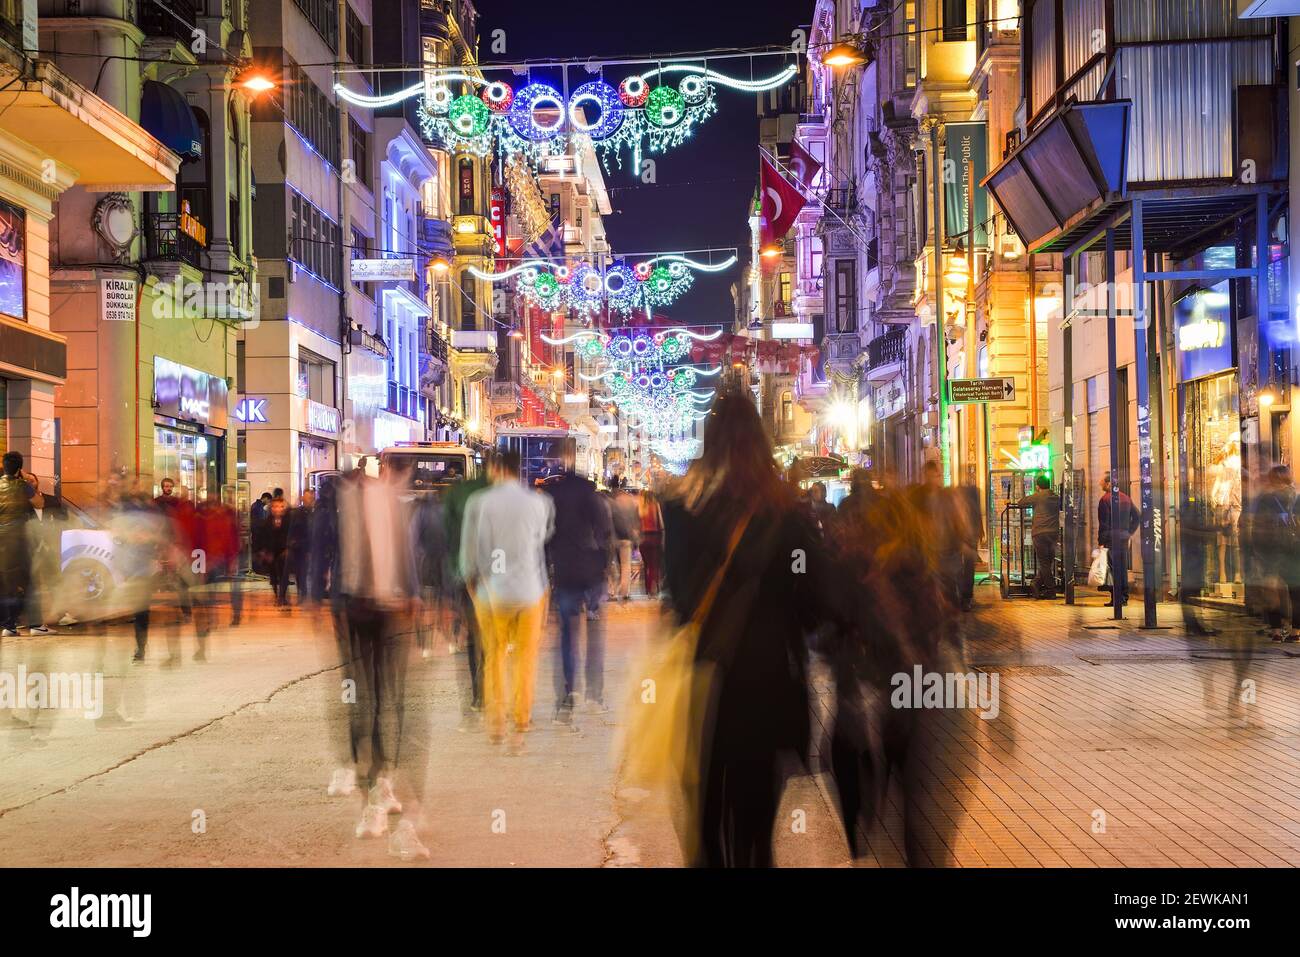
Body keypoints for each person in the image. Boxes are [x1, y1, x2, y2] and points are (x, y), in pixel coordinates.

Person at [660, 390, 836, 867]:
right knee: (756, 832)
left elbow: (677, 597)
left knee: (705, 828)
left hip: (709, 686)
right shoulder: (788, 514)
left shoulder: (686, 512)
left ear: (709, 443)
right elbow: (815, 603)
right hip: (770, 686)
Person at [335, 461, 428, 860]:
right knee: (363, 702)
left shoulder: (397, 504)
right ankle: (373, 792)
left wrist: (414, 593)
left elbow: (406, 551)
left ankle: (392, 792)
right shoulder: (341, 502)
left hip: (392, 611)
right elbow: (323, 549)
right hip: (356, 609)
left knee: (398, 702)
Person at [459, 449, 554, 753]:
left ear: (498, 468)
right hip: (530, 590)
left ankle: (496, 724)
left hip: (493, 592)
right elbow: (539, 542)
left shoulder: (480, 503)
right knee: (526, 659)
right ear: (519, 470)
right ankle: (520, 726)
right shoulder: (539, 503)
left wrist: (473, 582)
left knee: (495, 657)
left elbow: (472, 552)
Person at [545, 453, 613, 723]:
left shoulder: (553, 499)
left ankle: (566, 700)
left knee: (565, 637)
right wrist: (605, 566)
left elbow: (546, 537)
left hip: (565, 573)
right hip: (592, 575)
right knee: (595, 637)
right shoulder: (592, 498)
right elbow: (605, 534)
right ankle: (594, 697)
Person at [443, 460, 491, 720]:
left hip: (466, 574)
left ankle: (477, 695)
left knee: (474, 636)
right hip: (497, 577)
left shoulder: (458, 495)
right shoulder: (499, 492)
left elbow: (447, 537)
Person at [1249, 465, 1300, 641]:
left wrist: (1256, 552)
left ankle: (1276, 630)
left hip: (1271, 552)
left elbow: (1257, 527)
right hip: (1295, 551)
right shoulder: (1297, 497)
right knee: (1296, 592)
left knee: (1272, 591)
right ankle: (1295, 632)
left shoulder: (1265, 499)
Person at [0, 452, 42, 637]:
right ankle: (36, 625)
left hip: (2, 540)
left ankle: (9, 626)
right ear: (19, 468)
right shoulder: (22, 485)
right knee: (30, 579)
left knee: (7, 583)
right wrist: (25, 480)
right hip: (19, 539)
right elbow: (39, 503)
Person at [1178, 491, 1219, 636]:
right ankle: (1194, 624)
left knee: (1192, 589)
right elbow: (1195, 529)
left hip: (1192, 553)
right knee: (1191, 589)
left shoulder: (1189, 507)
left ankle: (1194, 624)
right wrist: (1216, 528)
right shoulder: (1191, 508)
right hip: (1193, 554)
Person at [1098, 473, 1140, 607]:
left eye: (1102, 481)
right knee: (1122, 567)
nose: (1100, 483)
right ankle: (1124, 597)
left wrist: (1101, 541)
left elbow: (1103, 523)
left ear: (1109, 483)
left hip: (1111, 538)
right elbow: (1137, 516)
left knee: (1113, 569)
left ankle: (1116, 597)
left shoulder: (1105, 500)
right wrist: (1129, 532)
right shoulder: (1126, 498)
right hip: (1123, 538)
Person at [1017, 475, 1061, 600]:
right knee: (1048, 561)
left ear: (1038, 486)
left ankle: (1050, 590)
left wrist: (1035, 493)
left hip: (1040, 533)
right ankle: (1036, 583)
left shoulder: (1038, 496)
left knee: (1044, 563)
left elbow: (1021, 502)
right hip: (1053, 533)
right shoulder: (1056, 497)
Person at [256, 495, 292, 608]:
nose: (278, 509)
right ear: (272, 508)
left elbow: (290, 535)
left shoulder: (288, 520)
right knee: (273, 576)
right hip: (271, 552)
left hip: (283, 551)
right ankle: (277, 595)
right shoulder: (267, 522)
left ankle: (282, 597)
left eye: (281, 507)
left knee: (284, 575)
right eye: (275, 506)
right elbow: (262, 537)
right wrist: (264, 551)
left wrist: (288, 548)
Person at [608, 476, 640, 601]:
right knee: (626, 565)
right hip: (627, 537)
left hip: (613, 537)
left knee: (610, 564)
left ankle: (611, 590)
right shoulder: (631, 500)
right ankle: (624, 591)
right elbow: (636, 520)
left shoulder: (611, 499)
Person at [287, 490, 316, 605]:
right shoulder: (297, 513)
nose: (310, 500)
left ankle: (308, 594)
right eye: (308, 498)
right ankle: (302, 593)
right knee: (301, 572)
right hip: (300, 547)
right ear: (303, 498)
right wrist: (291, 542)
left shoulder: (314, 513)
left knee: (307, 571)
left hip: (311, 547)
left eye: (311, 498)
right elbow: (292, 529)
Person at [638, 488, 665, 599]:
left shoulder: (640, 508)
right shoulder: (655, 506)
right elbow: (661, 523)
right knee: (654, 565)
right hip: (654, 537)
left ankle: (648, 589)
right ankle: (655, 589)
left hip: (643, 538)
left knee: (646, 565)